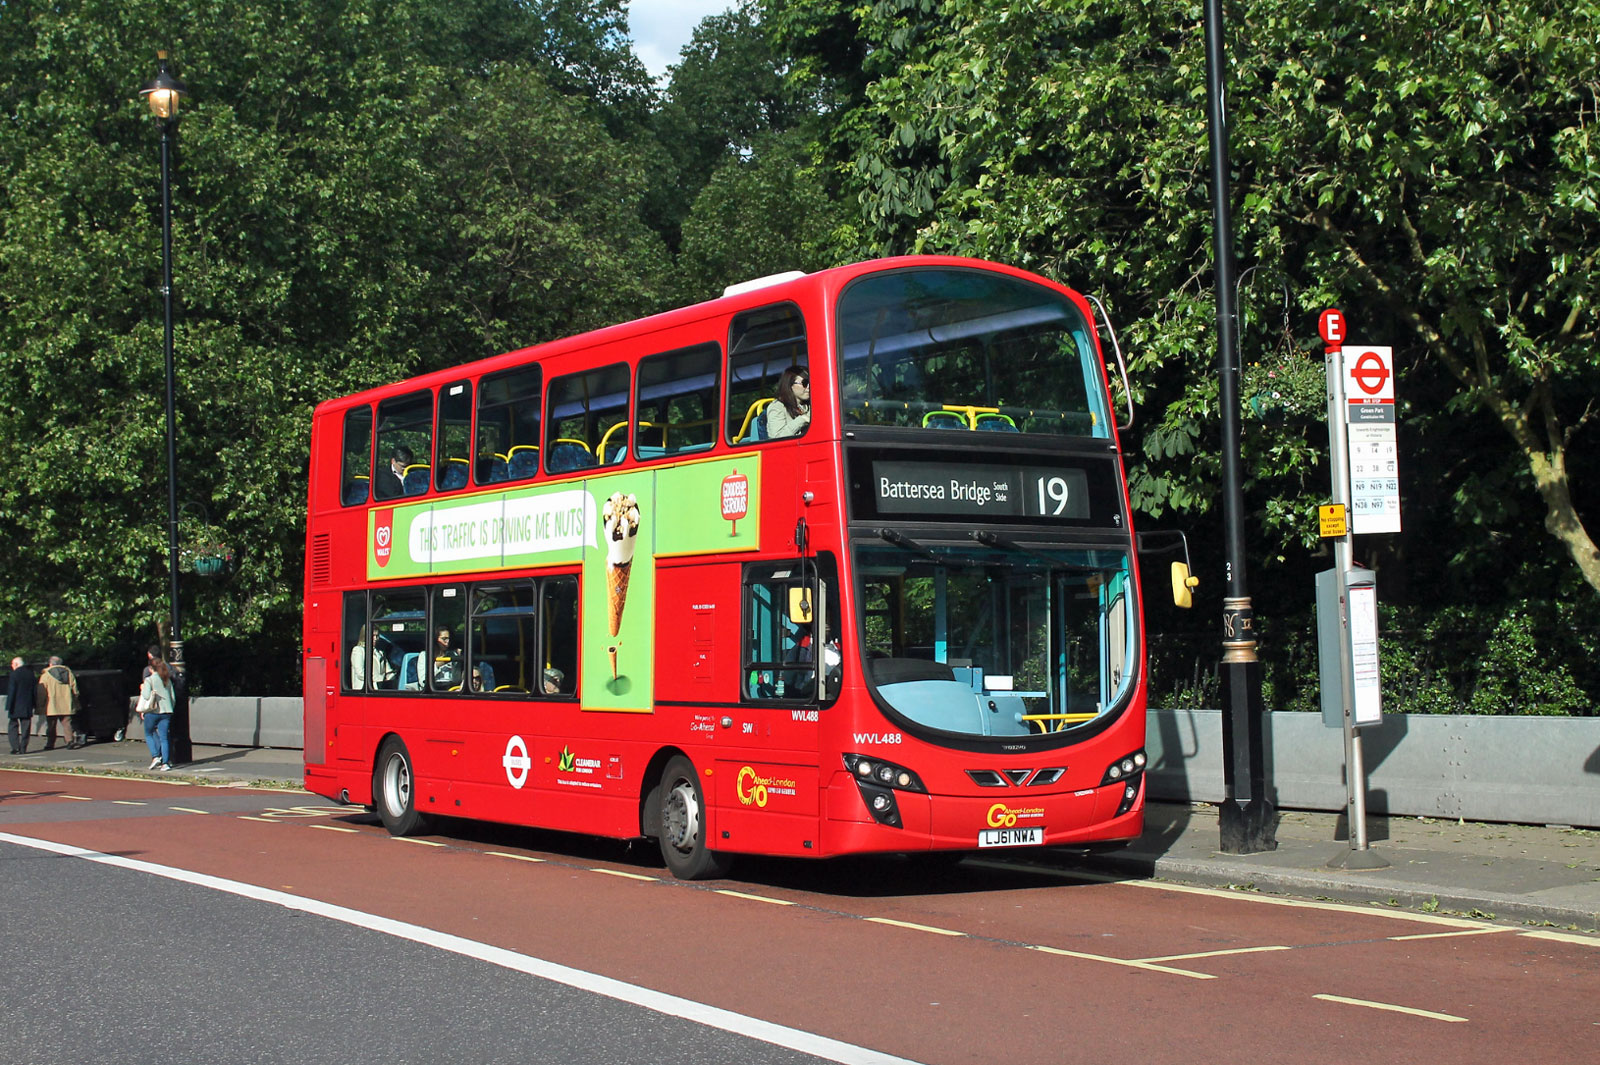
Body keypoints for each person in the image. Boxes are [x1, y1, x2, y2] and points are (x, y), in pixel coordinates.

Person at [138, 656, 177, 771]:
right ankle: (165, 763)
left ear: (151, 668)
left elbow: (146, 696)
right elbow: (173, 698)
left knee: (149, 733)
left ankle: (155, 756)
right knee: (164, 738)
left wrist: (142, 688)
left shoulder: (149, 680)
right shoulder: (166, 679)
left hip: (153, 711)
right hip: (167, 711)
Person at [39, 655, 81, 750]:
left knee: (51, 725)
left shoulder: (46, 675)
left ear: (50, 663)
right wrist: (75, 700)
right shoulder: (68, 673)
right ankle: (70, 741)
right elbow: (75, 689)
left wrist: (41, 703)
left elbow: (41, 691)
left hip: (51, 704)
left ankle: (50, 744)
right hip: (66, 702)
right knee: (67, 723)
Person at [765, 366, 812, 439]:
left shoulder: (809, 405)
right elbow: (777, 438)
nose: (809, 387)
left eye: (810, 382)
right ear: (790, 385)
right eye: (805, 383)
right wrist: (802, 420)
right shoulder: (777, 407)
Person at [6, 657, 36, 755]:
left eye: (12, 664)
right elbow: (34, 691)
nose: (11, 666)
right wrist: (34, 703)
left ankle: (15, 747)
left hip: (15, 704)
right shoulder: (30, 674)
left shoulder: (14, 674)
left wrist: (9, 705)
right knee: (26, 727)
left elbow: (12, 690)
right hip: (27, 704)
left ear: (16, 664)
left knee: (13, 726)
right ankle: (23, 748)